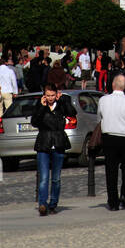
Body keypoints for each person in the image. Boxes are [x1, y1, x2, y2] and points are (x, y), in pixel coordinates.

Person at [30, 83, 76, 215]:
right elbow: (34, 122)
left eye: (52, 95)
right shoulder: (40, 106)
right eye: (48, 95)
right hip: (44, 143)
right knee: (44, 177)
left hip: (58, 143)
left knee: (56, 178)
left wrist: (63, 100)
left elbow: (72, 113)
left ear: (56, 95)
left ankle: (53, 204)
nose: (50, 98)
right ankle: (42, 204)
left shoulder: (61, 104)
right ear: (44, 95)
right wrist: (42, 107)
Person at [99, 72, 125, 212]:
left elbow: (99, 117)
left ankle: (113, 201)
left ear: (112, 85)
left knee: (111, 169)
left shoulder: (103, 100)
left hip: (109, 135)